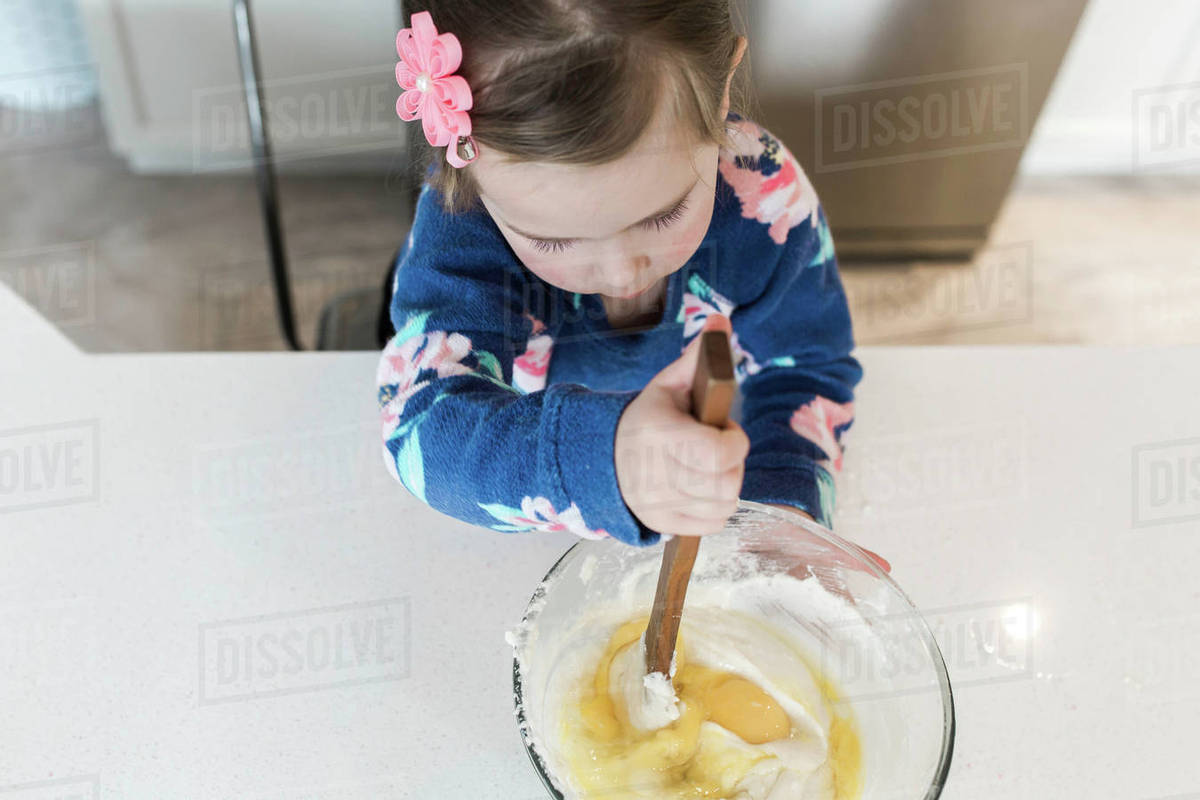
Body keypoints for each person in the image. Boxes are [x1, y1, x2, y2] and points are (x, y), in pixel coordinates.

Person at [377, 2, 864, 548]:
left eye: (662, 215)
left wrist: (780, 514)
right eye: (552, 240)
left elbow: (804, 368)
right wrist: (607, 460)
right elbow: (419, 421)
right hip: (520, 513)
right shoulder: (462, 221)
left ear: (723, 86)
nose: (620, 272)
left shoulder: (767, 203)